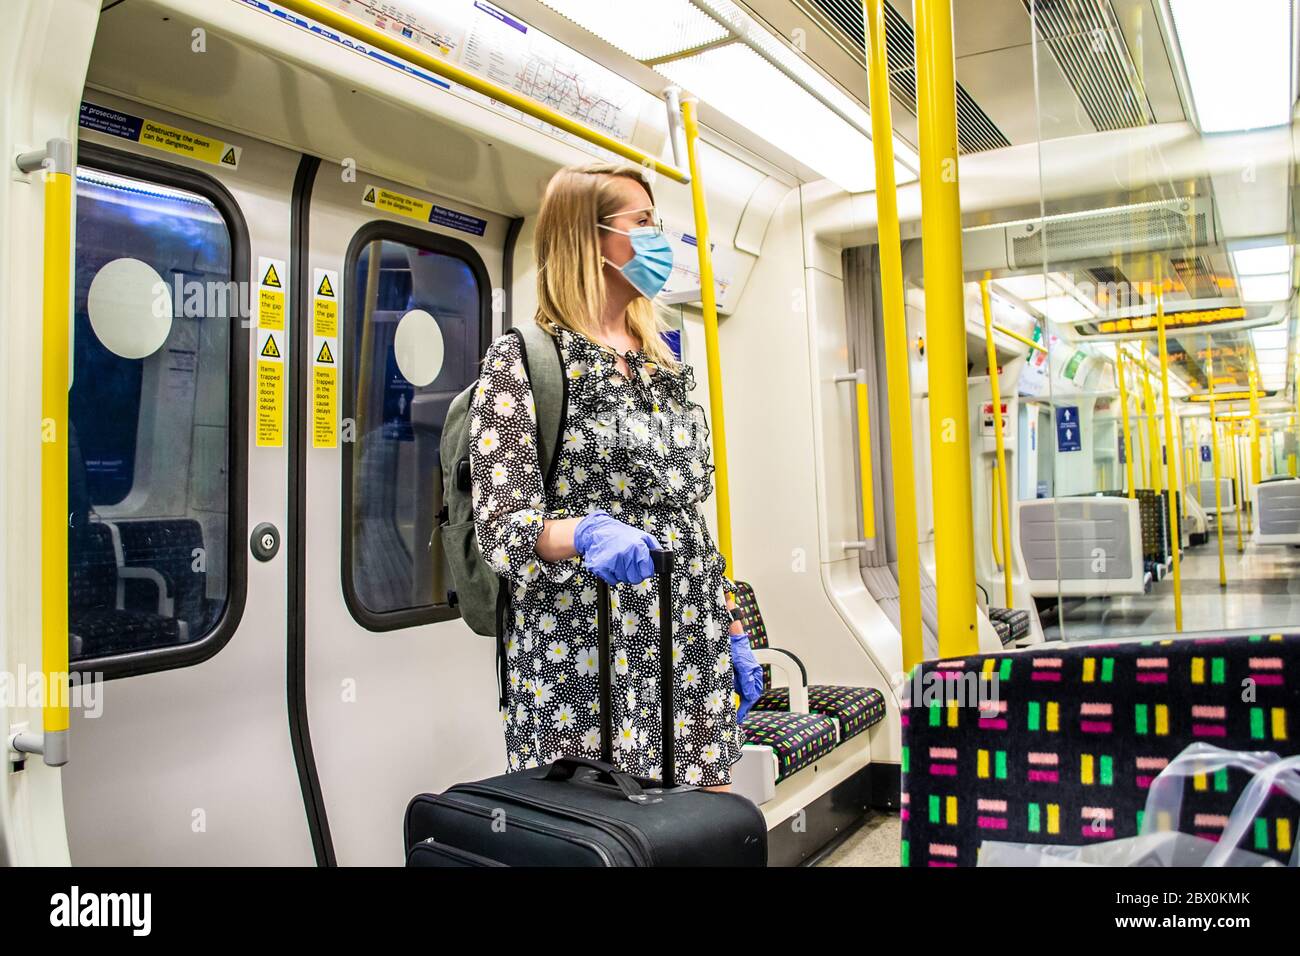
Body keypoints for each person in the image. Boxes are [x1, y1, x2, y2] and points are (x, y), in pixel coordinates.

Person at [468, 162, 758, 790]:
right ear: (588, 238)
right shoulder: (525, 359)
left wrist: (731, 623)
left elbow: (689, 517)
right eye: (644, 223)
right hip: (585, 655)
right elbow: (500, 526)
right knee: (613, 840)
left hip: (689, 642)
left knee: (706, 831)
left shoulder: (662, 357)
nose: (659, 240)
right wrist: (587, 532)